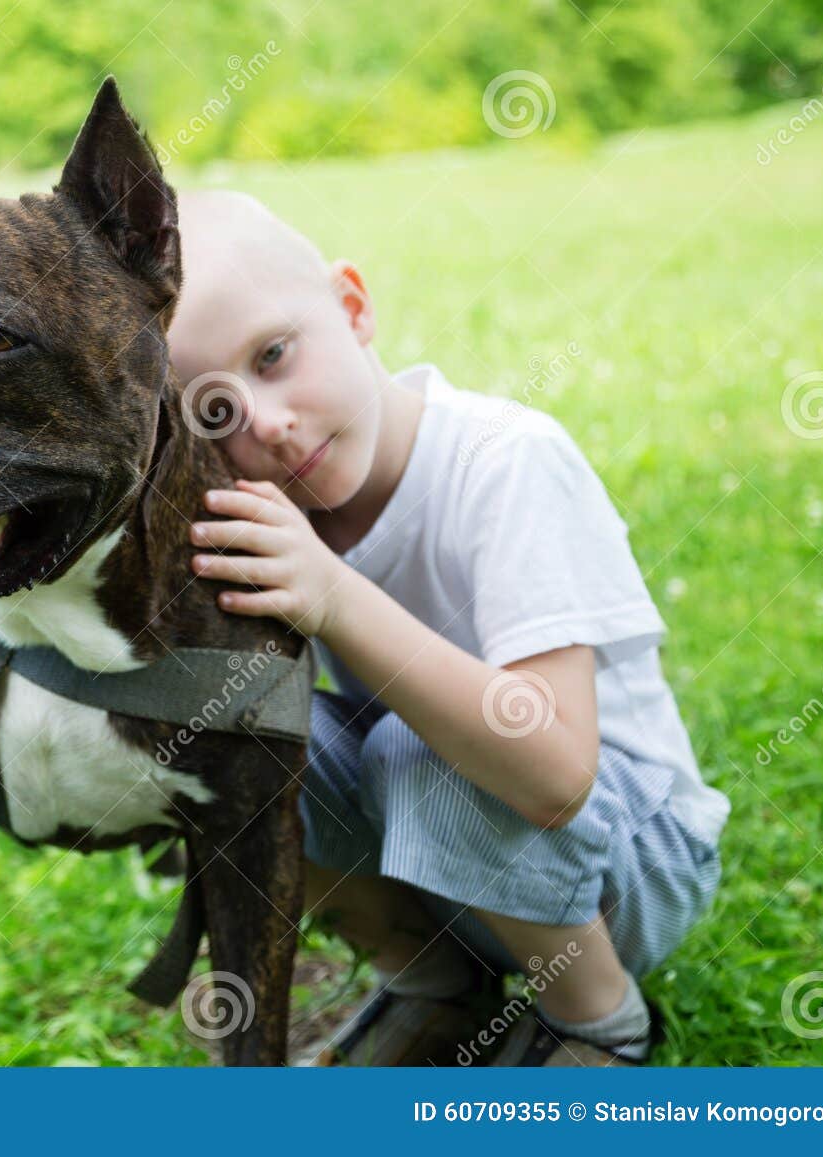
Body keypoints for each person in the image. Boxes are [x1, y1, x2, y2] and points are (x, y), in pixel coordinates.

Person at [167, 191, 729, 1066]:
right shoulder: (276, 526)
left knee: (415, 746)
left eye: (273, 355)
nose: (267, 425)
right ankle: (433, 985)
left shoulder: (503, 464)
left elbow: (555, 775)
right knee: (237, 735)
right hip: (448, 879)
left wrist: (335, 599)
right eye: (215, 415)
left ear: (352, 307)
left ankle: (598, 1021)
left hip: (630, 865)